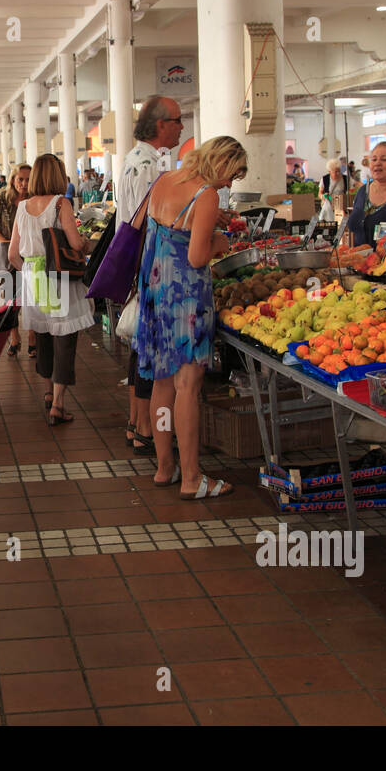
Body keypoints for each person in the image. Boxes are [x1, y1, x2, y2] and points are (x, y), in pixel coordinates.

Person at [135, 137, 243, 499]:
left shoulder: (163, 180)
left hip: (155, 290)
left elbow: (166, 228)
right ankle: (192, 477)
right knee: (188, 387)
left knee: (162, 384)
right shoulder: (206, 194)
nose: (229, 184)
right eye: (232, 175)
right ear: (221, 164)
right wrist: (220, 243)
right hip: (186, 300)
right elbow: (197, 257)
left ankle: (165, 467)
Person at [116, 95, 184, 455]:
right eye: (177, 120)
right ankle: (145, 426)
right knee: (150, 352)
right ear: (161, 125)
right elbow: (150, 221)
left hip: (142, 265)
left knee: (140, 348)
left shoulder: (136, 158)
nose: (182, 127)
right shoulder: (147, 166)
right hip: (152, 266)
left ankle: (136, 422)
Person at [7, 154, 93, 426]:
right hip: (59, 279)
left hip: (33, 278)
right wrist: (85, 243)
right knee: (64, 337)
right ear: (58, 175)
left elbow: (12, 255)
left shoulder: (22, 207)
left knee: (43, 335)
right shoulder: (60, 203)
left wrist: (30, 272)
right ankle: (57, 403)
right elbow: (75, 243)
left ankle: (47, 392)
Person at [0, 167, 35, 356]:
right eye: (20, 179)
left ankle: (33, 338)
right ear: (13, 180)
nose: (24, 183)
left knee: (32, 299)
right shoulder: (3, 199)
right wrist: (5, 242)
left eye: (28, 179)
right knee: (10, 300)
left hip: (30, 256)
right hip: (8, 257)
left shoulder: (36, 199)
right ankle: (15, 338)